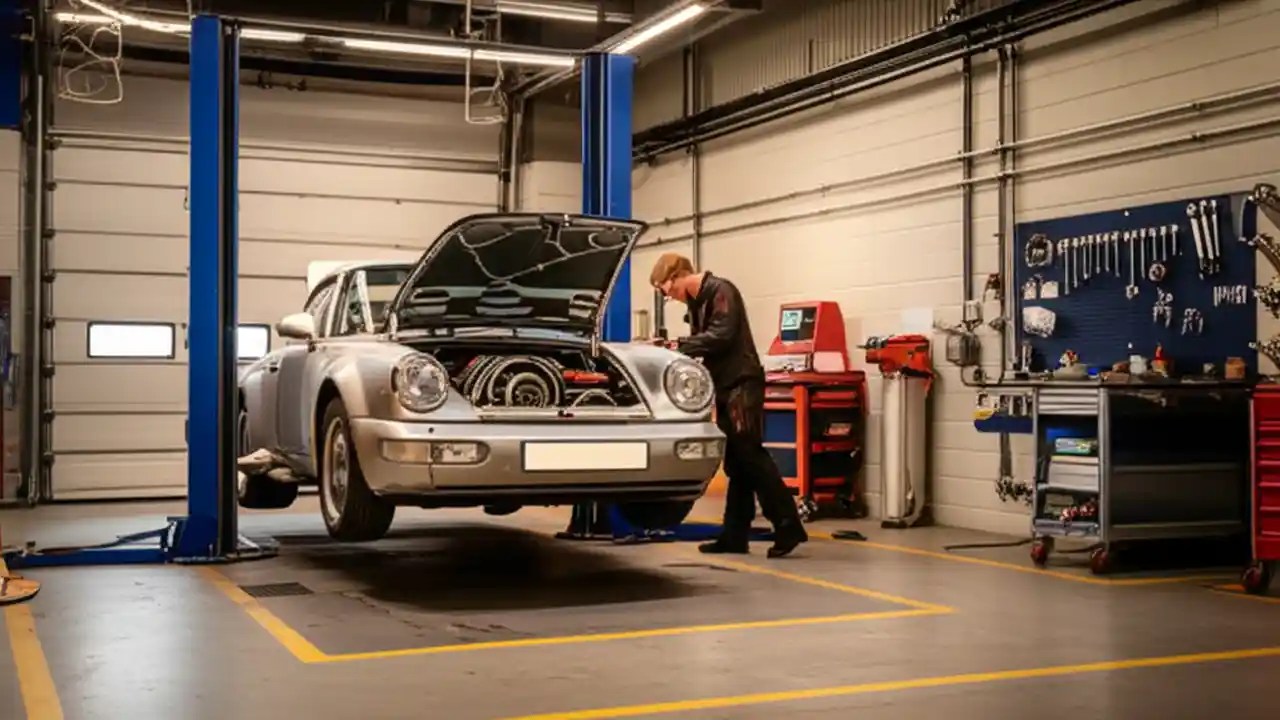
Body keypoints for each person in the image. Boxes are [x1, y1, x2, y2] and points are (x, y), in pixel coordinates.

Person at [649, 252, 808, 558]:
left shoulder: (722, 291)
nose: (667, 295)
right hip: (725, 385)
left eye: (665, 287)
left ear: (677, 274)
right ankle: (735, 534)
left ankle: (788, 525)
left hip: (742, 384)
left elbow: (721, 336)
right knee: (737, 463)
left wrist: (677, 345)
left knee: (751, 455)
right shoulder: (697, 304)